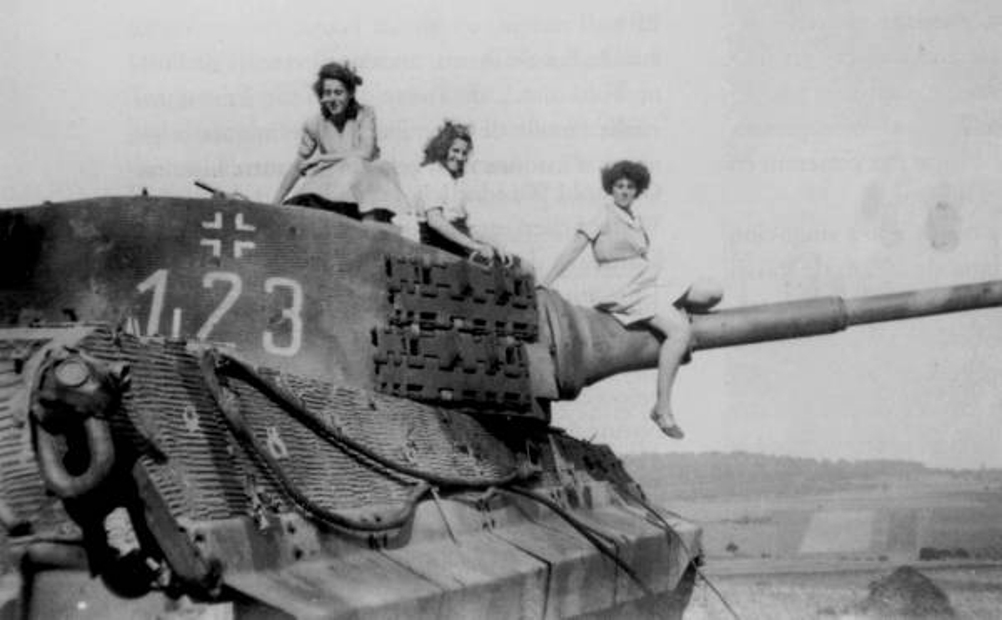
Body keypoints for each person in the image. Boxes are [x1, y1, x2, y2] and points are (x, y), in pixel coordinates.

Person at [540, 160, 722, 440]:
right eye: (619, 186)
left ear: (637, 190)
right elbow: (574, 247)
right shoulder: (602, 214)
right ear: (611, 188)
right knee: (679, 331)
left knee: (712, 292)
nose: (624, 191)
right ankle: (662, 408)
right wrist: (546, 281)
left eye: (630, 187)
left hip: (646, 281)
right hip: (622, 289)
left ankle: (671, 308)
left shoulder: (634, 219)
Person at [273, 61, 406, 222]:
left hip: (366, 188)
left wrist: (322, 158)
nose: (332, 99)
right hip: (333, 187)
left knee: (358, 165)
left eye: (338, 92)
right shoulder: (314, 123)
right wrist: (275, 203)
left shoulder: (364, 114)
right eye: (327, 93)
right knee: (306, 200)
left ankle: (369, 228)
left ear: (350, 94)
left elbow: (365, 153)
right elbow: (298, 165)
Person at [414, 121, 509, 262]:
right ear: (443, 148)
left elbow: (467, 226)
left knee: (510, 264)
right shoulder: (432, 173)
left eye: (464, 153)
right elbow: (435, 221)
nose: (460, 157)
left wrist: (496, 245)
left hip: (458, 246)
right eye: (455, 151)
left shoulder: (454, 180)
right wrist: (475, 246)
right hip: (439, 250)